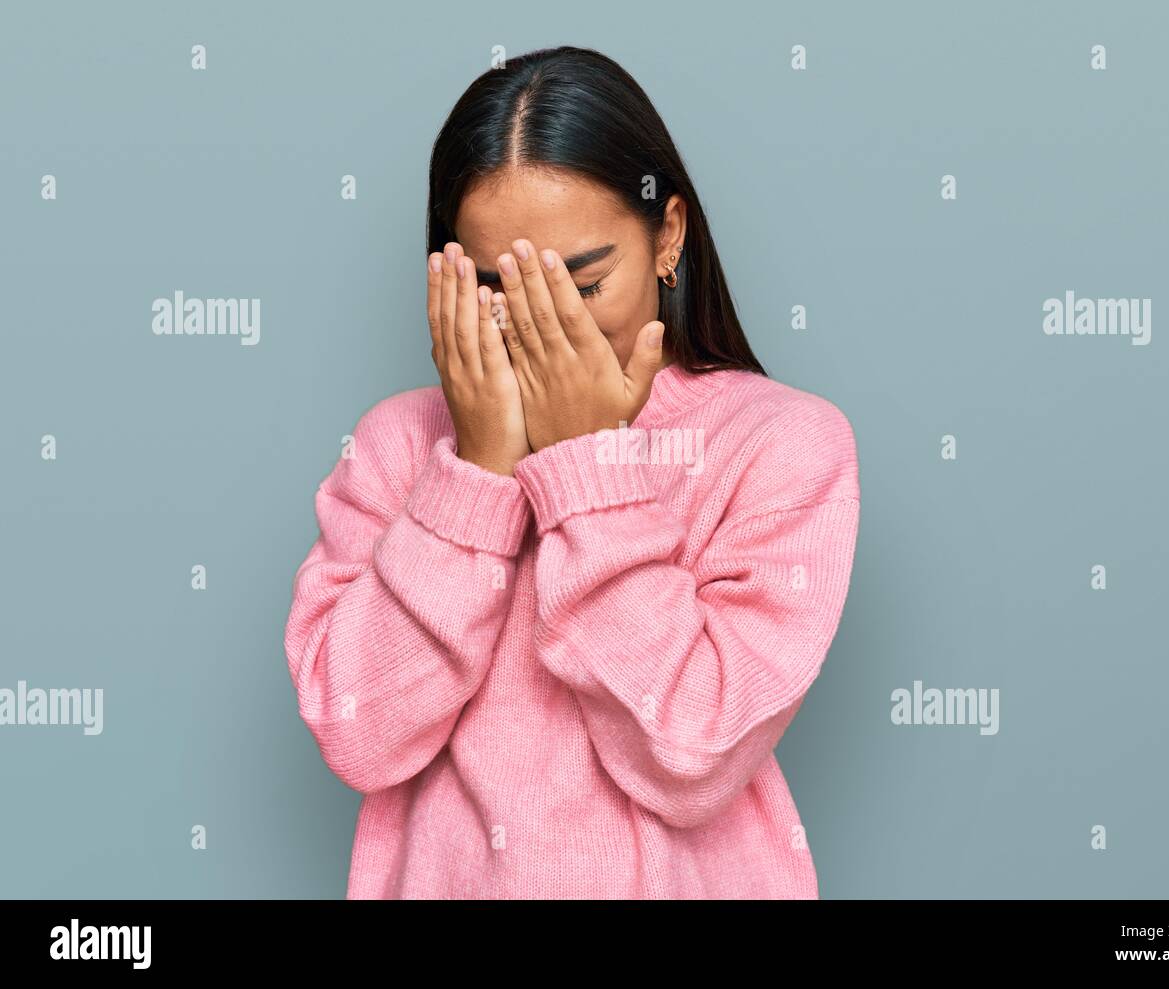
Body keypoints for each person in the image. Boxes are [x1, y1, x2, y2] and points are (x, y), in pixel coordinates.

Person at [283, 45, 860, 898]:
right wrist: (475, 475)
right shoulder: (399, 447)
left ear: (667, 236)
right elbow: (357, 732)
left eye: (581, 286)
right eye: (495, 286)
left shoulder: (781, 446)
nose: (542, 328)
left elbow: (690, 755)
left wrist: (585, 466)